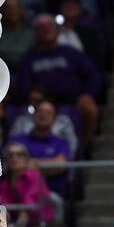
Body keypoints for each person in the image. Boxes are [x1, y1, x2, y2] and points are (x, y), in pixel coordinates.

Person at [14, 15, 101, 149]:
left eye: (49, 26)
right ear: (36, 32)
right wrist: (31, 95)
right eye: (41, 27)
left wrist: (88, 94)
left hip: (72, 101)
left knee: (90, 109)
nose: (46, 30)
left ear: (57, 30)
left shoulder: (70, 53)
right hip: (41, 103)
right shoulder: (29, 57)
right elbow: (23, 83)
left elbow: (93, 75)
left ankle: (81, 148)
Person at [0, 144, 56, 227]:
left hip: (41, 223)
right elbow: (5, 209)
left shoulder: (34, 176)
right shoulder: (5, 182)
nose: (14, 158)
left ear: (26, 159)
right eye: (10, 156)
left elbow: (28, 207)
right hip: (18, 224)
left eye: (19, 155)